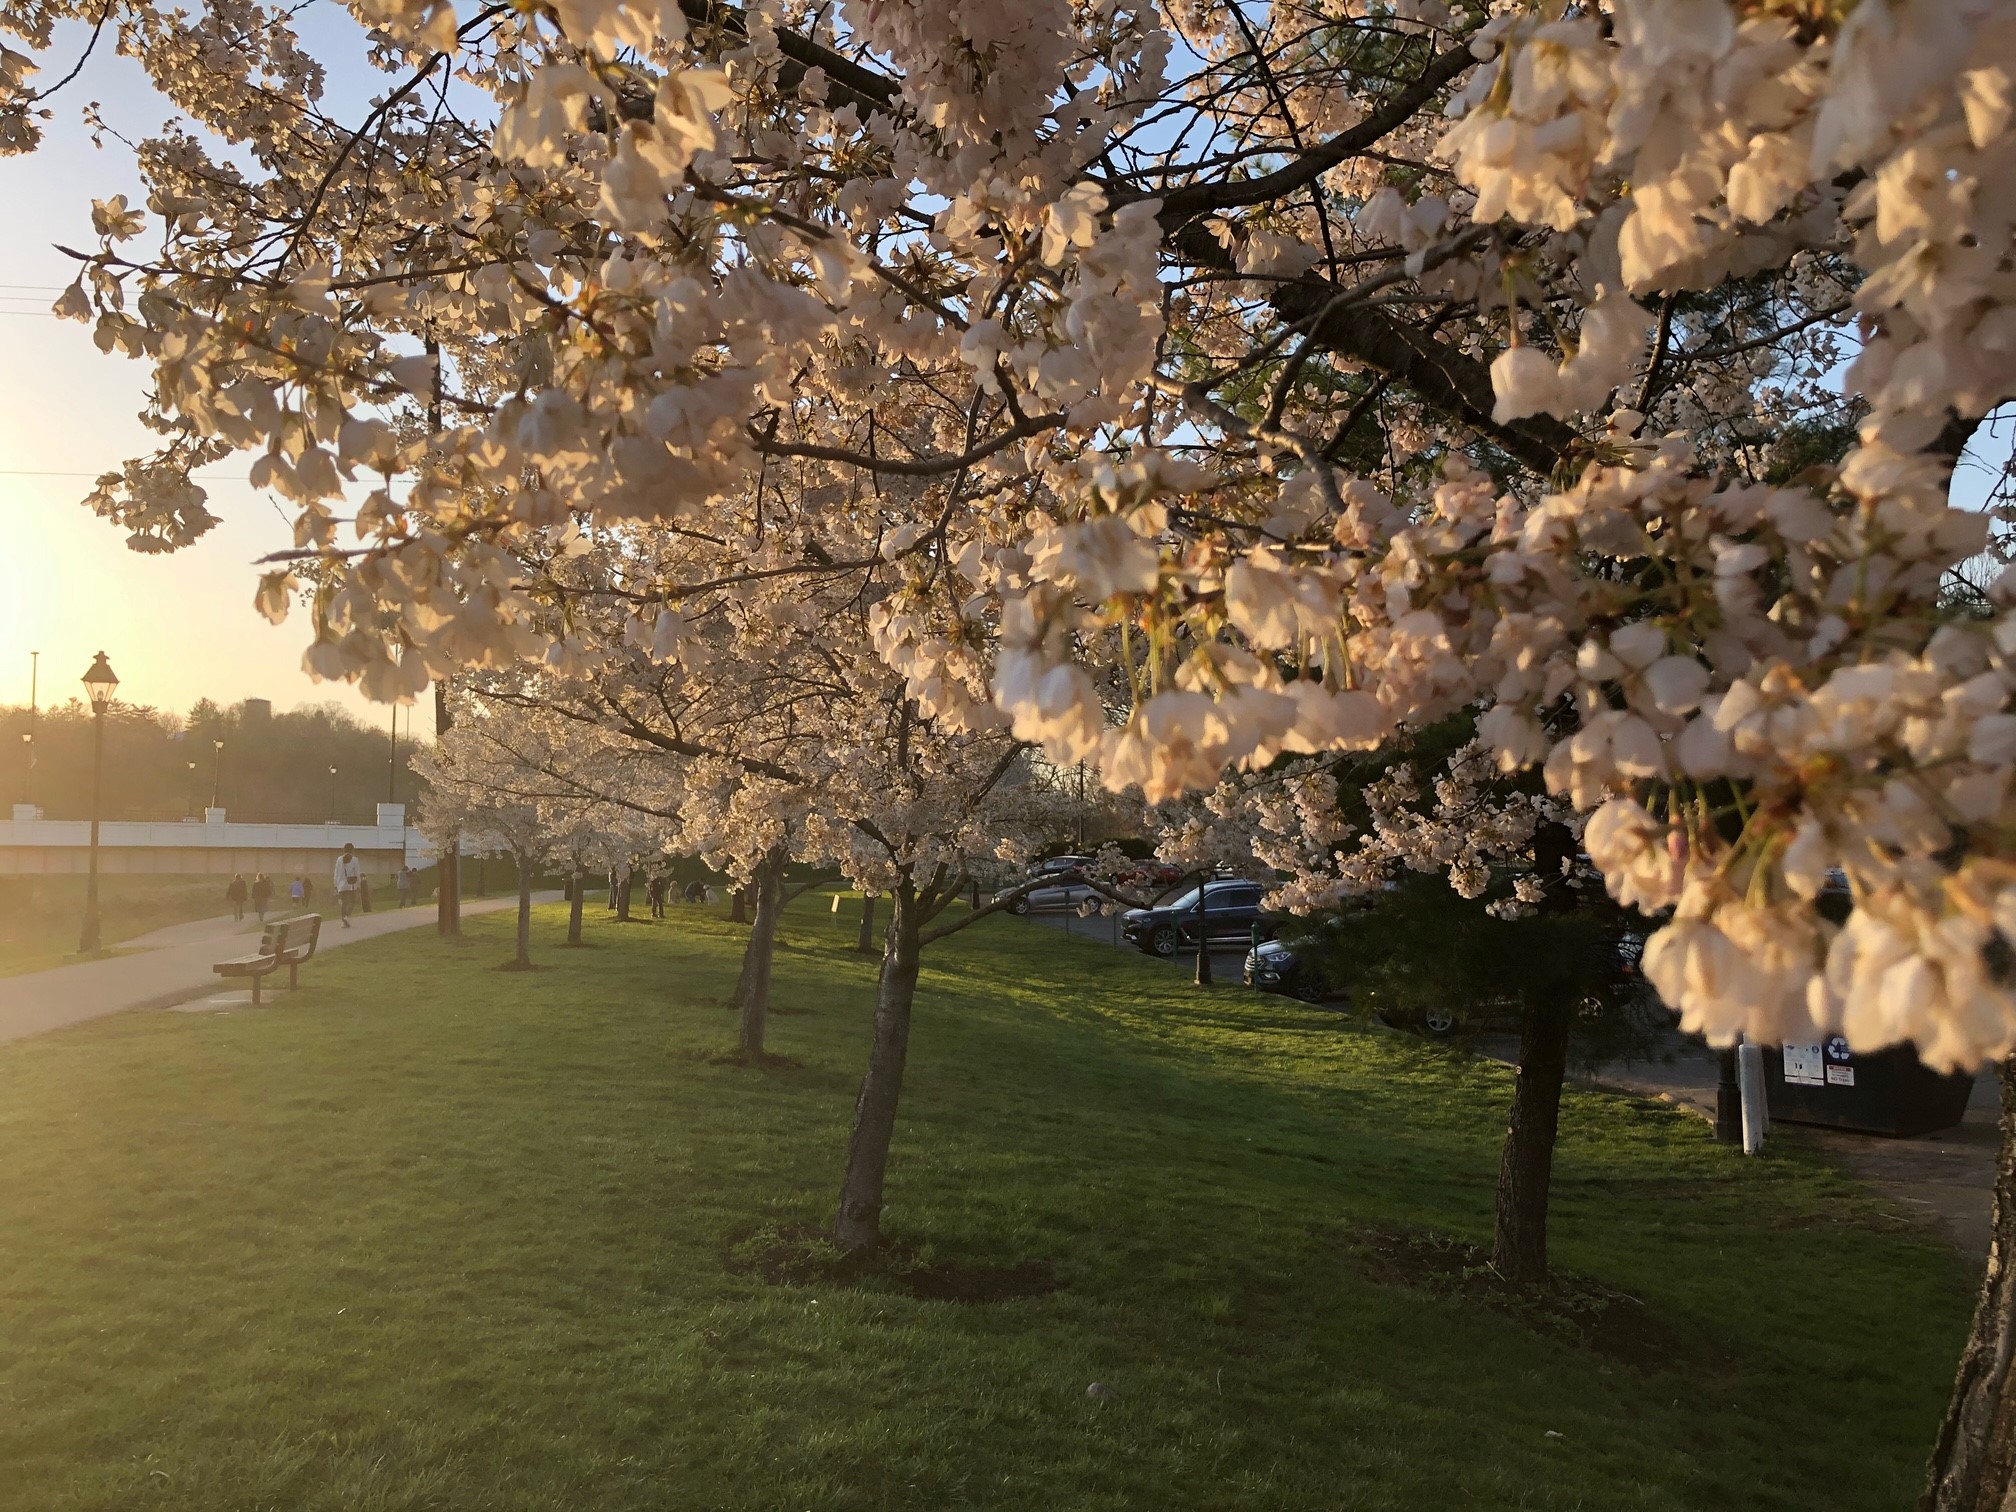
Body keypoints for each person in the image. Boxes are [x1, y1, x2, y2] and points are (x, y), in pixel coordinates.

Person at [333, 843, 362, 927]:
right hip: (351, 885)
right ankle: (346, 917)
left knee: (344, 903)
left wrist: (335, 884)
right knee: (352, 902)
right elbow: (357, 873)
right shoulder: (355, 860)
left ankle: (343, 920)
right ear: (352, 850)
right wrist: (358, 884)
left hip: (341, 885)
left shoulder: (339, 859)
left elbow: (336, 872)